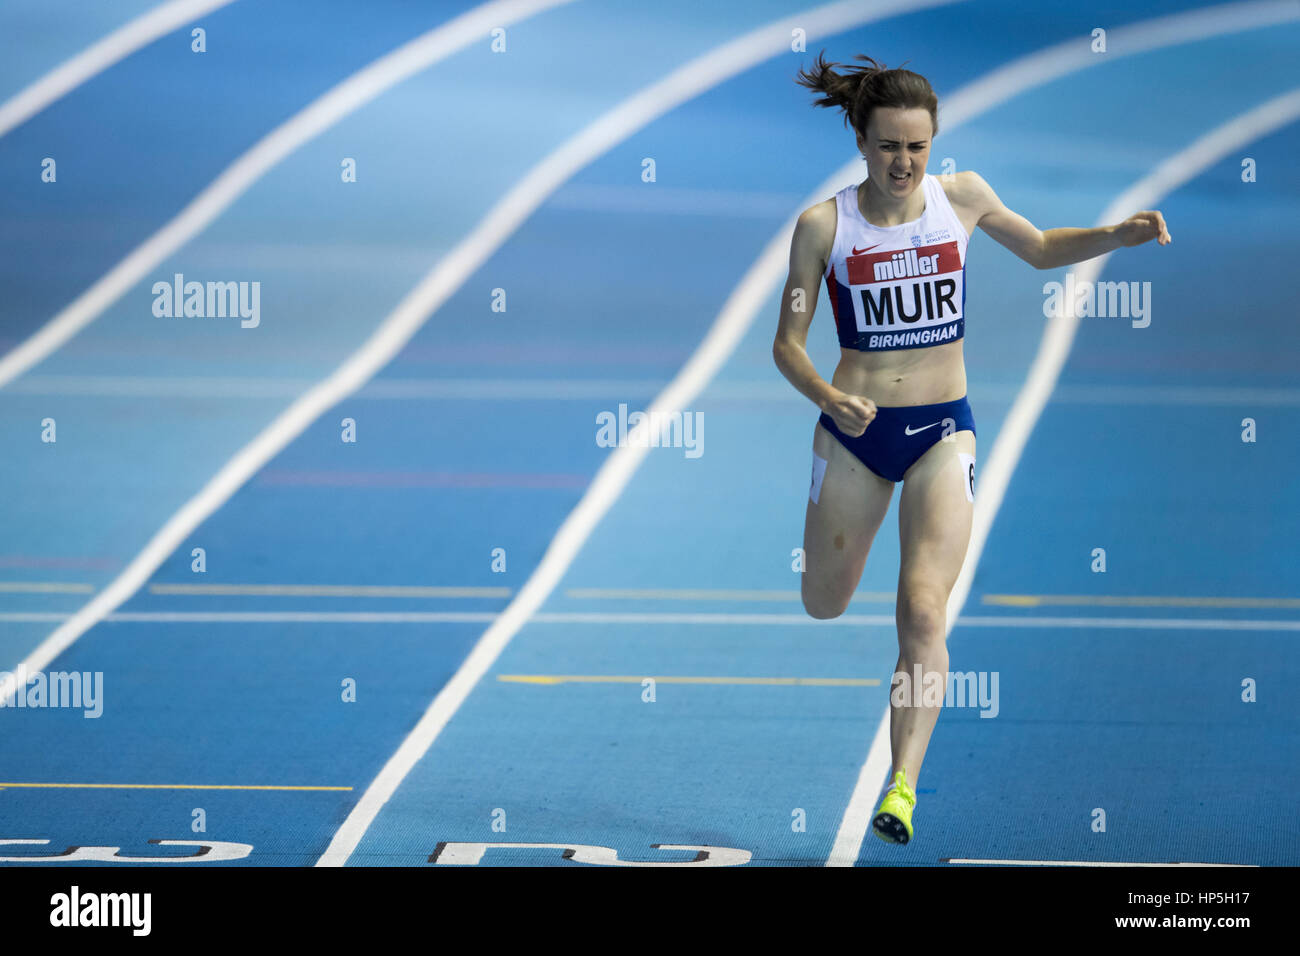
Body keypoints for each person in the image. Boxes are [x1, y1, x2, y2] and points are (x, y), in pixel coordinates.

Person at [773, 53, 1171, 845]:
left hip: (941, 432)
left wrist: (1115, 237)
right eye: (889, 147)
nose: (904, 163)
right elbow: (787, 344)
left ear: (935, 143)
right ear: (861, 139)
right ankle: (892, 751)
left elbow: (1044, 247)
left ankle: (902, 785)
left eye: (917, 147)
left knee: (923, 609)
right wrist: (826, 396)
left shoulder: (963, 198)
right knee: (824, 600)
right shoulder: (825, 226)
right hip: (855, 434)